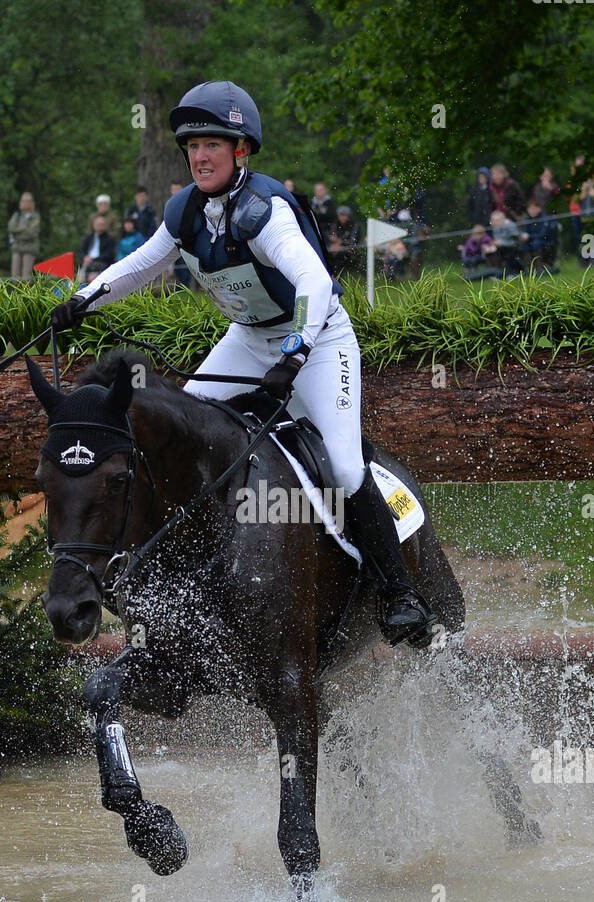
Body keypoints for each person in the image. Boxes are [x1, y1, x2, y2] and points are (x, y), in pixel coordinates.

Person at [48, 80, 437, 647]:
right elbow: (139, 265)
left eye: (213, 144)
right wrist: (84, 300)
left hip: (321, 341)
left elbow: (314, 282)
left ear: (241, 151)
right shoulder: (185, 210)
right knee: (188, 431)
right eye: (192, 146)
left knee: (347, 470)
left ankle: (398, 592)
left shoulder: (266, 211)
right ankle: (188, 580)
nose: (200, 156)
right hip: (250, 340)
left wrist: (298, 349)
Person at [8, 191, 41, 279]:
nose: (26, 203)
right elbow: (11, 228)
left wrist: (18, 231)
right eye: (24, 201)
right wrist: (25, 228)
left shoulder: (35, 216)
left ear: (32, 203)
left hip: (29, 249)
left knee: (26, 277)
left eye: (28, 201)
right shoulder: (17, 215)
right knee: (15, 277)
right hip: (17, 248)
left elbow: (32, 233)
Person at [520, 200, 558, 273]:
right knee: (524, 245)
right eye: (530, 209)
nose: (532, 211)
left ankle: (539, 266)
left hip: (546, 241)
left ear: (539, 209)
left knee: (536, 243)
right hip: (532, 240)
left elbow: (543, 235)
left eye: (534, 208)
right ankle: (530, 267)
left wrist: (529, 236)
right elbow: (525, 231)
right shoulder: (528, 219)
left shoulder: (544, 218)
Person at [78, 214, 115, 282]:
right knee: (78, 279)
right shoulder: (88, 238)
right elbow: (81, 251)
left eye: (102, 224)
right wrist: (85, 257)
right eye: (98, 224)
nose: (100, 226)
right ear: (94, 225)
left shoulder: (109, 239)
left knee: (93, 278)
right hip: (87, 264)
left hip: (102, 265)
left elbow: (109, 255)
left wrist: (93, 259)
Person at [326, 205, 360, 278]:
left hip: (350, 251)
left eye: (345, 215)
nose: (343, 217)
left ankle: (338, 277)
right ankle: (331, 276)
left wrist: (339, 242)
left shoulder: (354, 226)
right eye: (341, 215)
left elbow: (353, 242)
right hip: (335, 249)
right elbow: (330, 236)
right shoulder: (335, 224)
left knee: (340, 256)